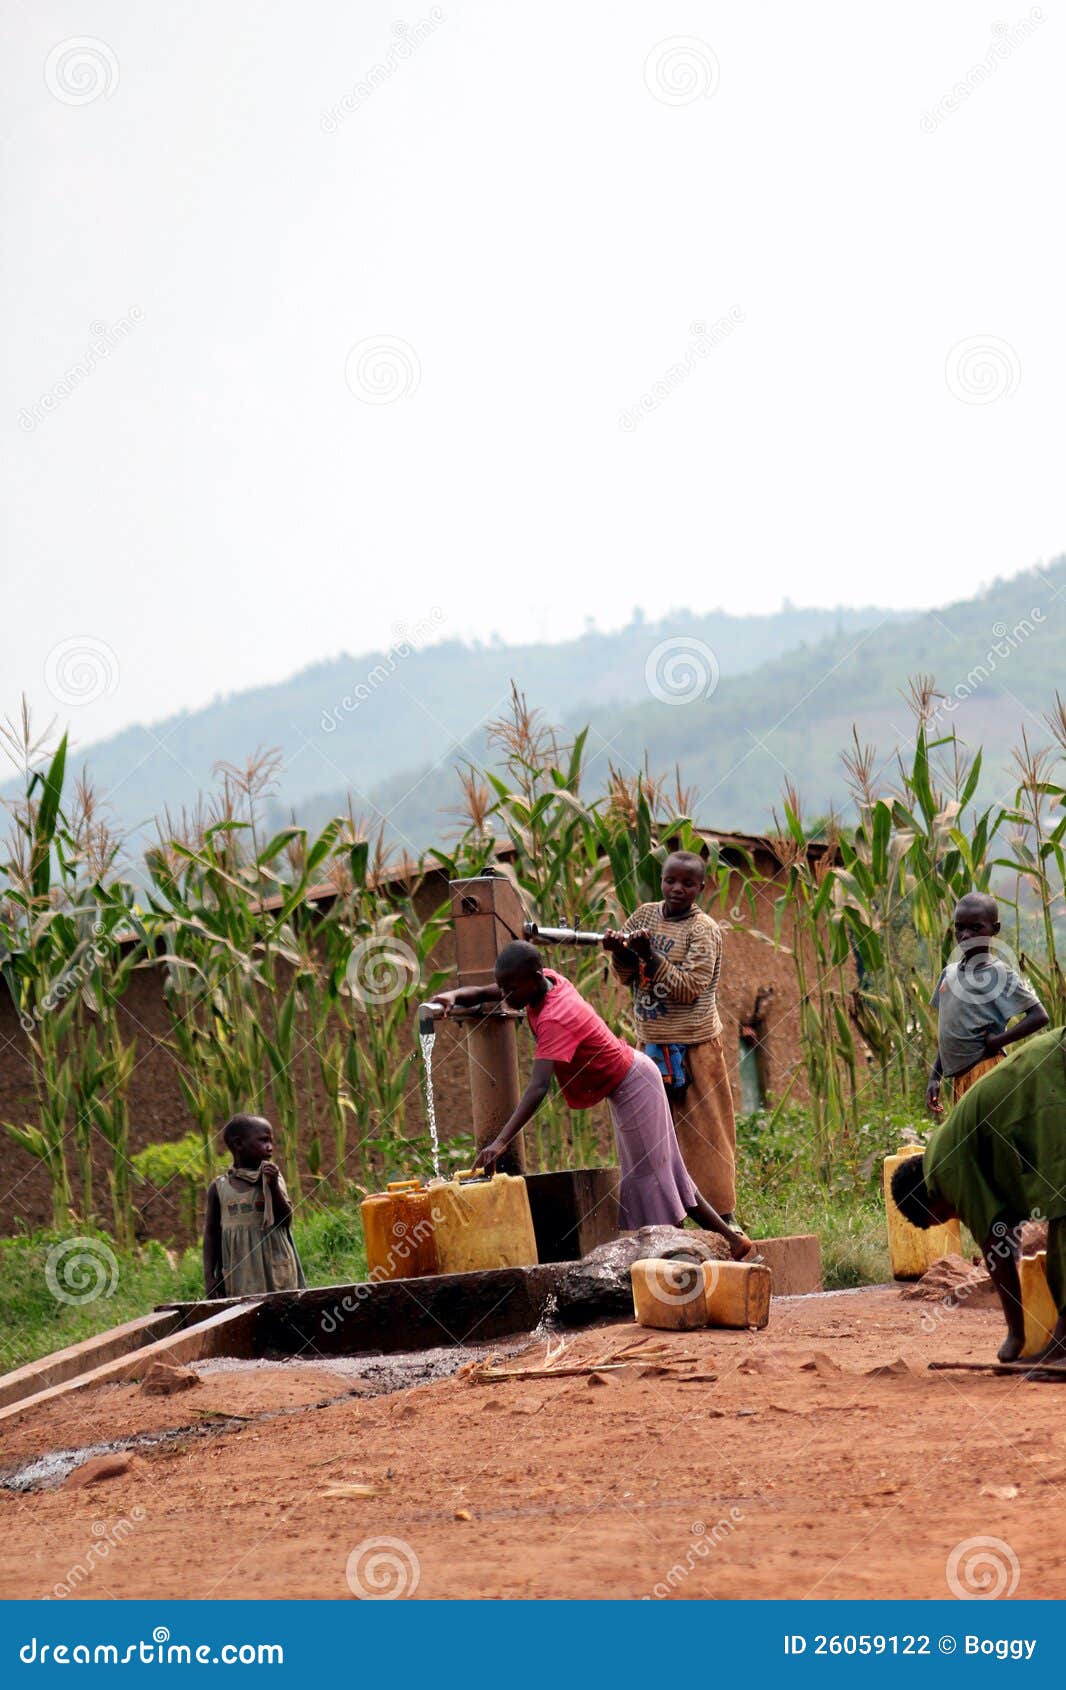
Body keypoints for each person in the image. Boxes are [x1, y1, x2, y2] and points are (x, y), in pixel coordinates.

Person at [432, 941, 754, 1261]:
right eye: (502, 988)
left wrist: (501, 1142)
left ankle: (679, 1263)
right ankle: (731, 1242)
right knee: (669, 1174)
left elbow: (538, 1087)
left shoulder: (555, 1017)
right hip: (632, 1081)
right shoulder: (546, 979)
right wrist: (454, 996)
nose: (504, 997)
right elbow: (490, 991)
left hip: (634, 1087)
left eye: (510, 989)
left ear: (532, 977)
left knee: (651, 1181)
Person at [894, 1026, 1066, 1362]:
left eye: (944, 1216)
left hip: (1054, 1079)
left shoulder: (944, 1167)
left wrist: (1015, 1336)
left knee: (1063, 1210)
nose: (958, 1216)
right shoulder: (952, 1147)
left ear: (931, 1198)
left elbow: (995, 1247)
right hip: (1051, 1075)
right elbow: (1008, 1231)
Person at [603, 851, 739, 1226]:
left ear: (701, 887)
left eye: (687, 883)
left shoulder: (703, 930)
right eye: (670, 881)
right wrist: (621, 955)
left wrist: (652, 957)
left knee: (709, 1137)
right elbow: (627, 977)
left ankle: (725, 1218)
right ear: (661, 881)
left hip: (696, 1047)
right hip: (651, 1048)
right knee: (658, 1139)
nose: (677, 889)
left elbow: (690, 989)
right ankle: (667, 1222)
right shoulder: (644, 916)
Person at [926, 892, 1048, 1117]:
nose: (965, 936)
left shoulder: (999, 974)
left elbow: (1039, 1016)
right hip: (959, 1080)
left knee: (988, 1140)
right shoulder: (949, 974)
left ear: (995, 929)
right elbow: (949, 1032)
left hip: (986, 1071)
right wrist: (935, 1076)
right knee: (971, 1142)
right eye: (959, 928)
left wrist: (998, 1041)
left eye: (975, 928)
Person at [203, 1114, 304, 1298]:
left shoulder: (272, 1178)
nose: (270, 1147)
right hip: (240, 1275)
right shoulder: (219, 1189)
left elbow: (285, 1220)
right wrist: (209, 1277)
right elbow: (211, 1235)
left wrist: (273, 1186)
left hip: (275, 1268)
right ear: (238, 1144)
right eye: (264, 1140)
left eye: (271, 1141)